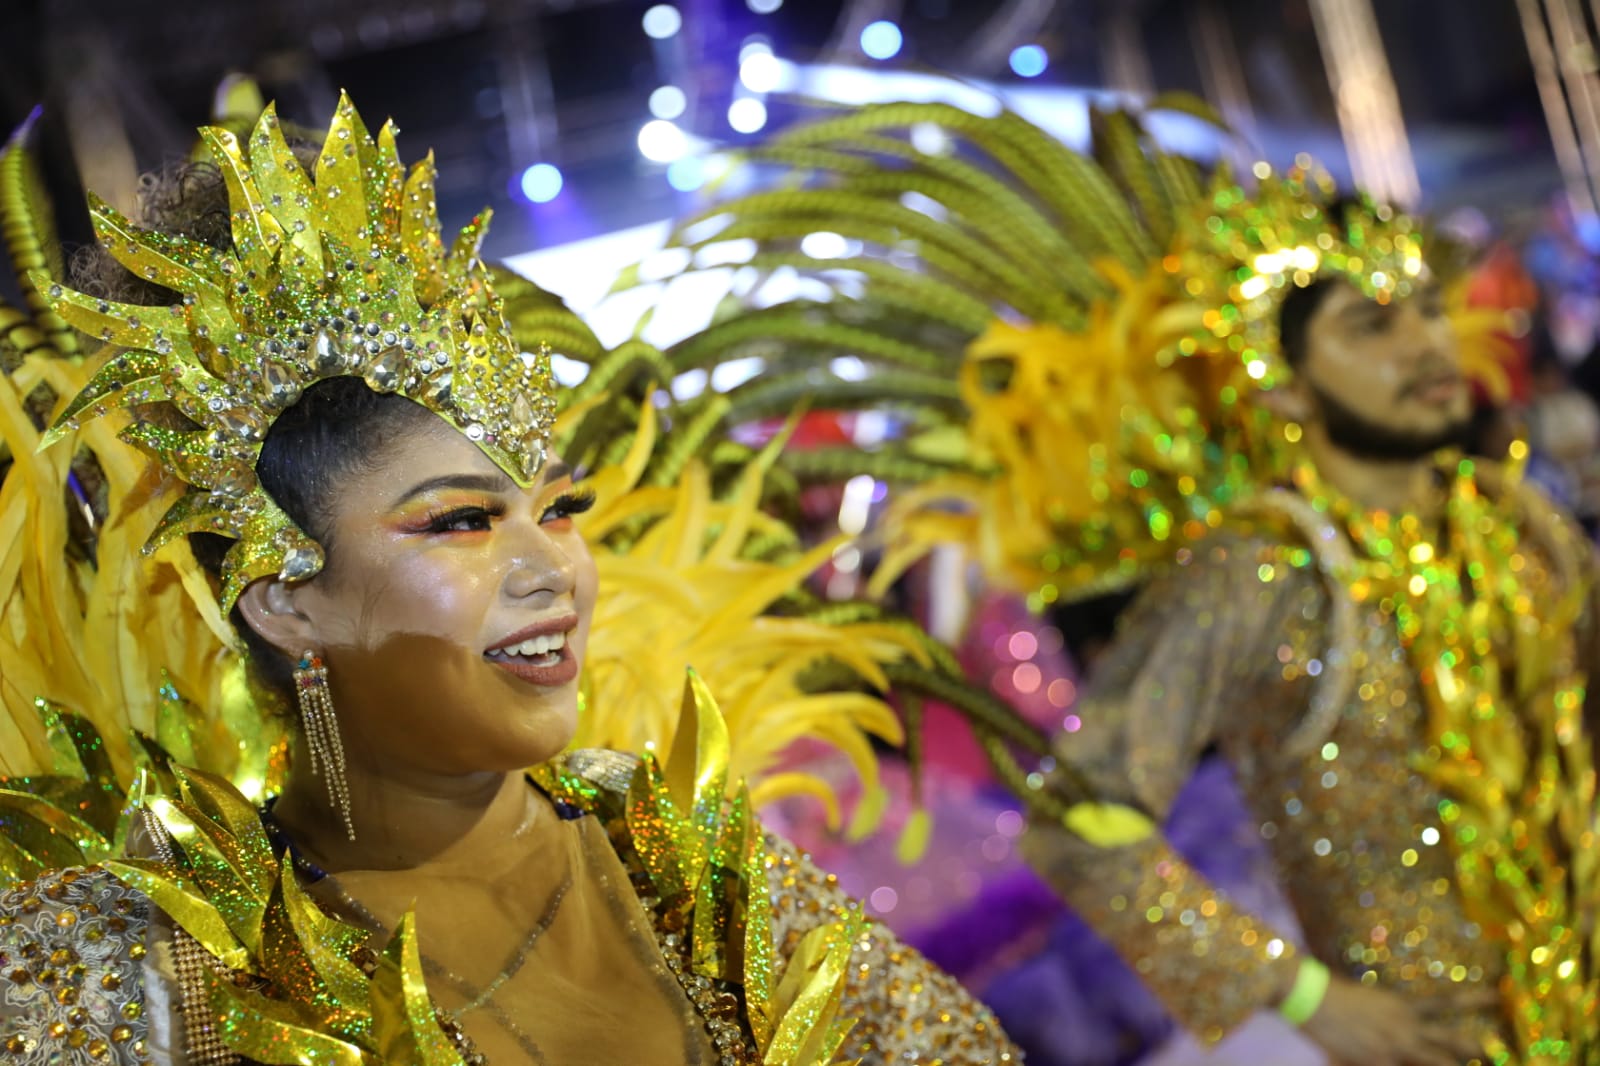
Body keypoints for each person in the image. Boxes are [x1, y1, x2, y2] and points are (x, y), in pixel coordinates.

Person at [0, 96, 1018, 1065]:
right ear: (288, 600)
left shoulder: (666, 851)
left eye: (560, 510)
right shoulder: (147, 956)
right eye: (461, 521)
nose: (552, 569)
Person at [637, 95, 1598, 1064]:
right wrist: (1303, 995)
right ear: (1285, 381)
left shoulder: (1521, 523)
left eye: (1428, 309)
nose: (1427, 346)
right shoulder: (1263, 569)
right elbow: (1082, 822)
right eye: (1372, 326)